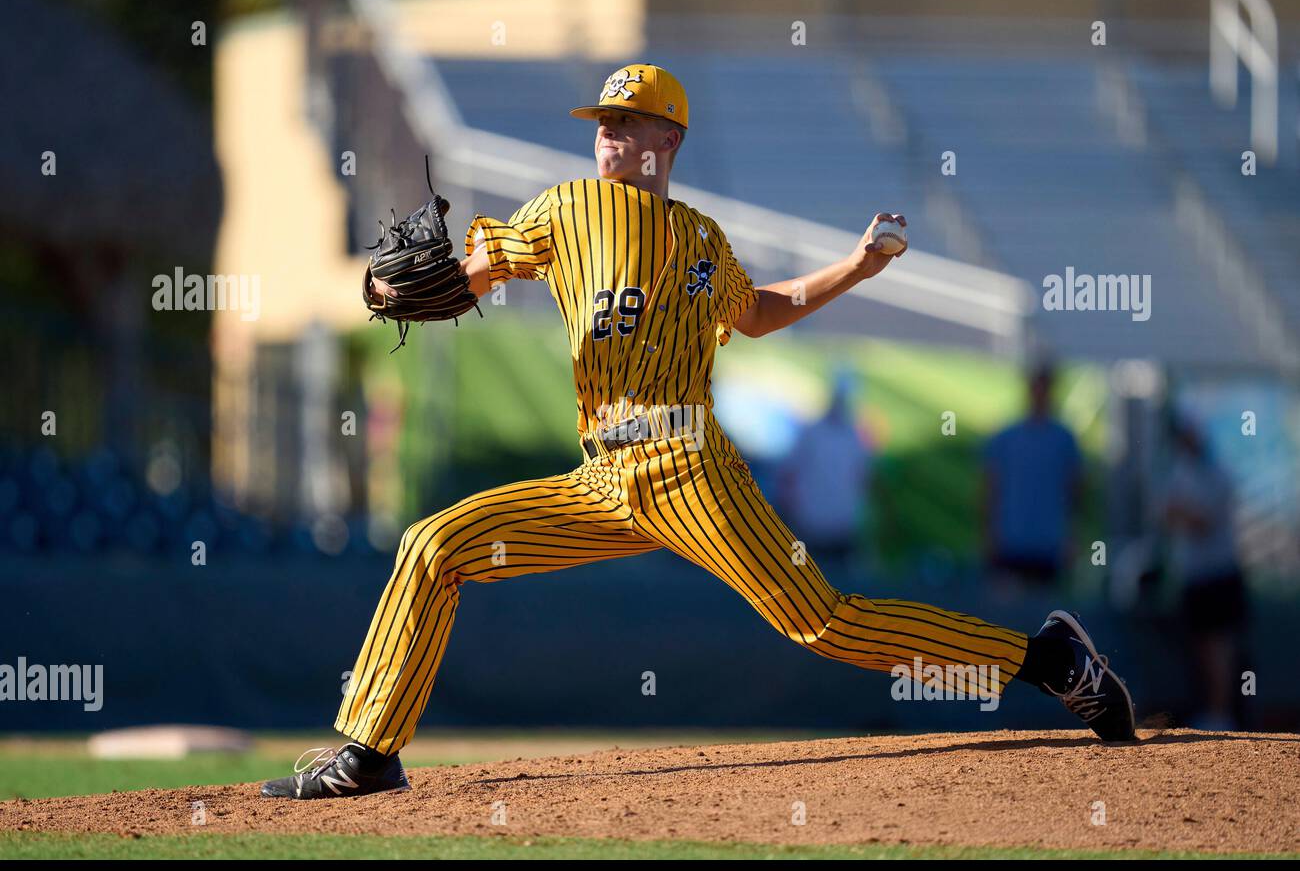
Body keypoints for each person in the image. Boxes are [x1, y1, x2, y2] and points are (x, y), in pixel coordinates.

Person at [262, 64, 1135, 800]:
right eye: (601, 123)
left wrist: (859, 266)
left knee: (825, 623)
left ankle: (1050, 660)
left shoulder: (703, 238)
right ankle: (369, 754)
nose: (606, 136)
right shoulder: (565, 208)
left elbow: (760, 310)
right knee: (432, 544)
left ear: (667, 140)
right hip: (599, 477)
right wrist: (383, 291)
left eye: (624, 123)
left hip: (691, 465)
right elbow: (466, 275)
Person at [1162, 412, 1247, 731]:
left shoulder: (1217, 473)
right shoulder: (1182, 471)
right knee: (1201, 647)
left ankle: (1221, 712)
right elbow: (1168, 516)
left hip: (1219, 575)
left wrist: (1180, 510)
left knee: (1219, 648)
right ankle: (1212, 710)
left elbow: (1202, 521)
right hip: (1196, 577)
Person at [982, 363, 1082, 587]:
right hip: (1011, 541)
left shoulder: (1064, 439)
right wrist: (990, 534)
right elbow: (991, 488)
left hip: (1048, 544)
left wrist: (1071, 537)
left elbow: (1074, 492)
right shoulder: (1006, 438)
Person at [777, 372, 871, 566]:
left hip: (836, 525)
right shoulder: (816, 433)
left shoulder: (851, 437)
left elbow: (862, 479)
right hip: (815, 523)